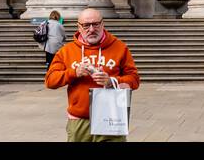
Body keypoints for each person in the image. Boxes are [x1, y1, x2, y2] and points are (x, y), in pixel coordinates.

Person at [45, 8, 140, 142]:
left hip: (111, 118)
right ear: (79, 27)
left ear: (102, 24)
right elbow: (50, 81)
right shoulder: (67, 51)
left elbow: (134, 80)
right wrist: (74, 72)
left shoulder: (120, 48)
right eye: (86, 25)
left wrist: (112, 81)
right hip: (79, 120)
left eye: (95, 24)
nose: (91, 29)